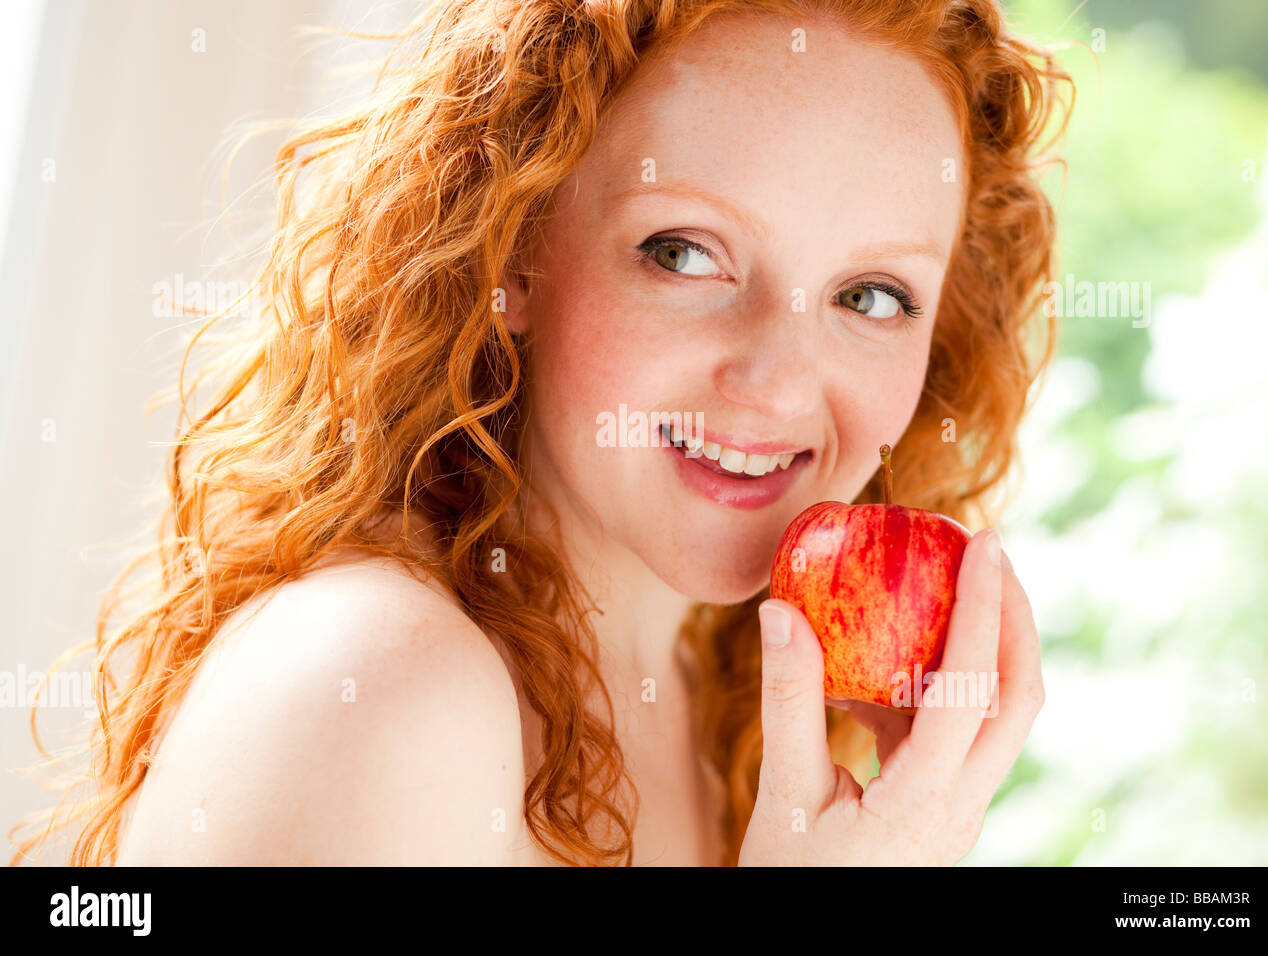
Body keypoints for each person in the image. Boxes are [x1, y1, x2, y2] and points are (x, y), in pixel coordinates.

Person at [11, 0, 1071, 866]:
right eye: (683, 252)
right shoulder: (385, 691)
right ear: (514, 253)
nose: (780, 382)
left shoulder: (732, 705)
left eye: (873, 296)